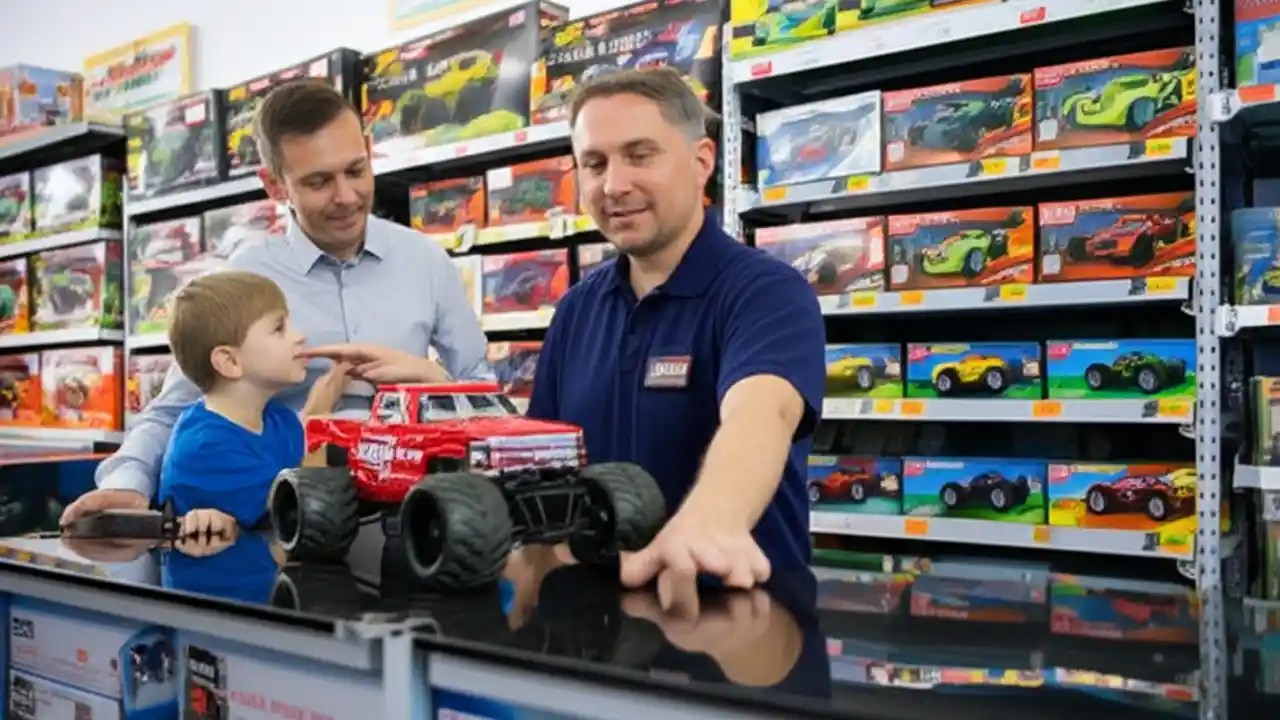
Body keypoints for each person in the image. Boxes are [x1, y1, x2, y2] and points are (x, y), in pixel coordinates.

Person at [61, 79, 491, 524]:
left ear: (368, 149)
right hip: (285, 523)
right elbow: (175, 409)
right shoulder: (244, 279)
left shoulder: (426, 260)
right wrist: (126, 484)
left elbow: (487, 397)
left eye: (356, 170)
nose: (346, 196)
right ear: (274, 185)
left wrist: (430, 376)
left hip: (416, 520)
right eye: (319, 182)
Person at [527, 67, 826, 591]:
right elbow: (543, 466)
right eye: (594, 164)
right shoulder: (575, 311)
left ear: (701, 163)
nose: (614, 185)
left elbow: (762, 412)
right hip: (597, 635)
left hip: (742, 631)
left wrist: (712, 521)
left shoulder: (767, 293)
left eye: (640, 155)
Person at [156, 271, 344, 538]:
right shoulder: (206, 448)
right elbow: (292, 507)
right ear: (230, 362)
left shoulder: (279, 419)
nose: (300, 336)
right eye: (279, 328)